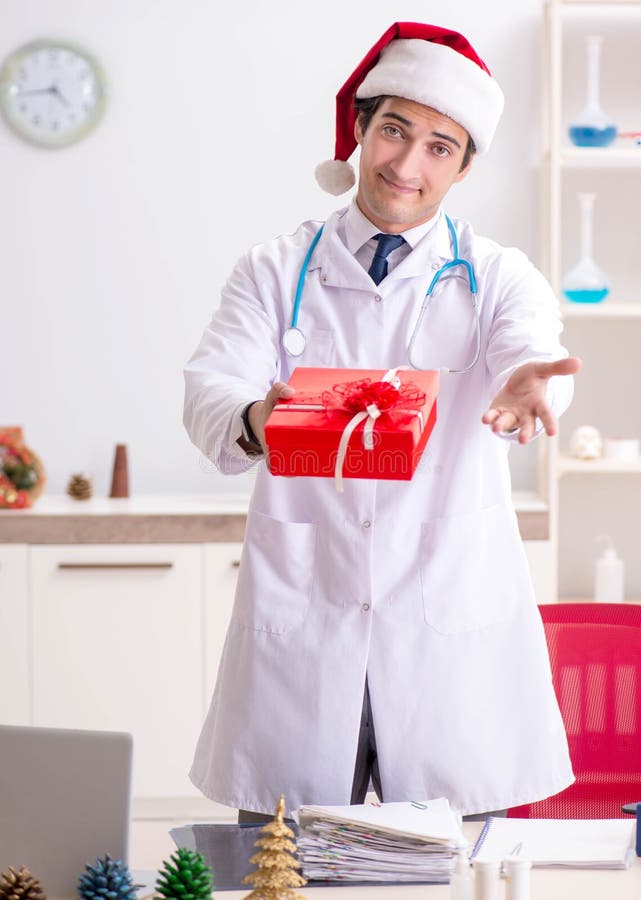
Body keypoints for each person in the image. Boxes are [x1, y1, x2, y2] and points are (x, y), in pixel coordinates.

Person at [184, 21, 580, 822]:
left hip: (445, 639)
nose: (406, 164)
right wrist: (270, 416)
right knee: (280, 864)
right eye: (393, 130)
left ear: (464, 167)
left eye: (440, 146)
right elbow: (208, 395)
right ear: (359, 131)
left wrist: (529, 388)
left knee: (453, 866)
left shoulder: (498, 275)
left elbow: (530, 352)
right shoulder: (273, 270)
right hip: (306, 620)